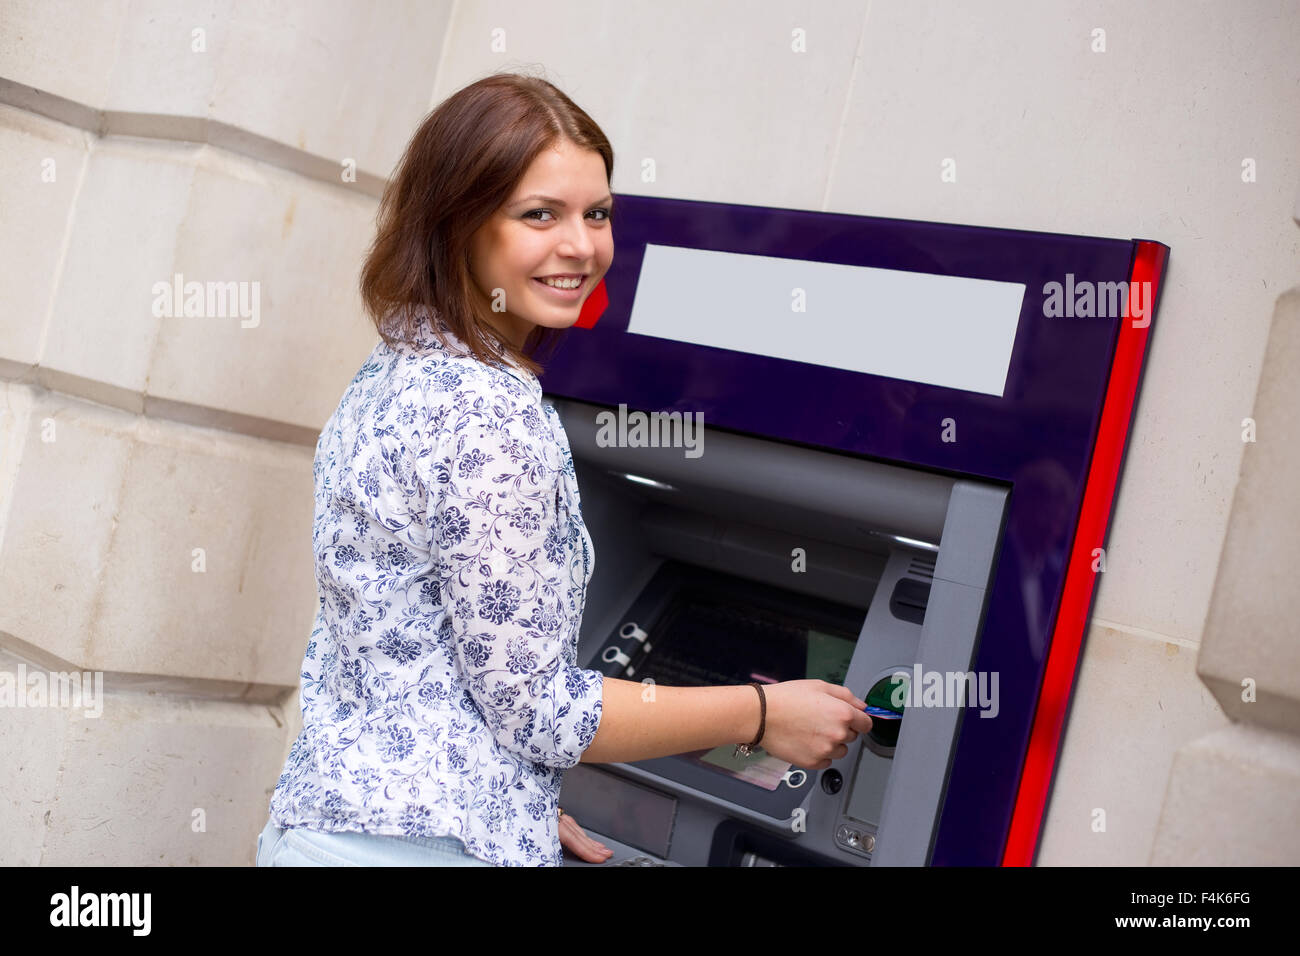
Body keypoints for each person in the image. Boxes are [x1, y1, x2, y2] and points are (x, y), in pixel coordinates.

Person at [257, 72, 871, 868]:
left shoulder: (400, 366)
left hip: (334, 828)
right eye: (539, 214)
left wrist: (505, 805)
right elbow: (540, 711)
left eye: (597, 213)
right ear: (460, 227)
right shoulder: (490, 416)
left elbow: (402, 641)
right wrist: (759, 715)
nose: (582, 246)